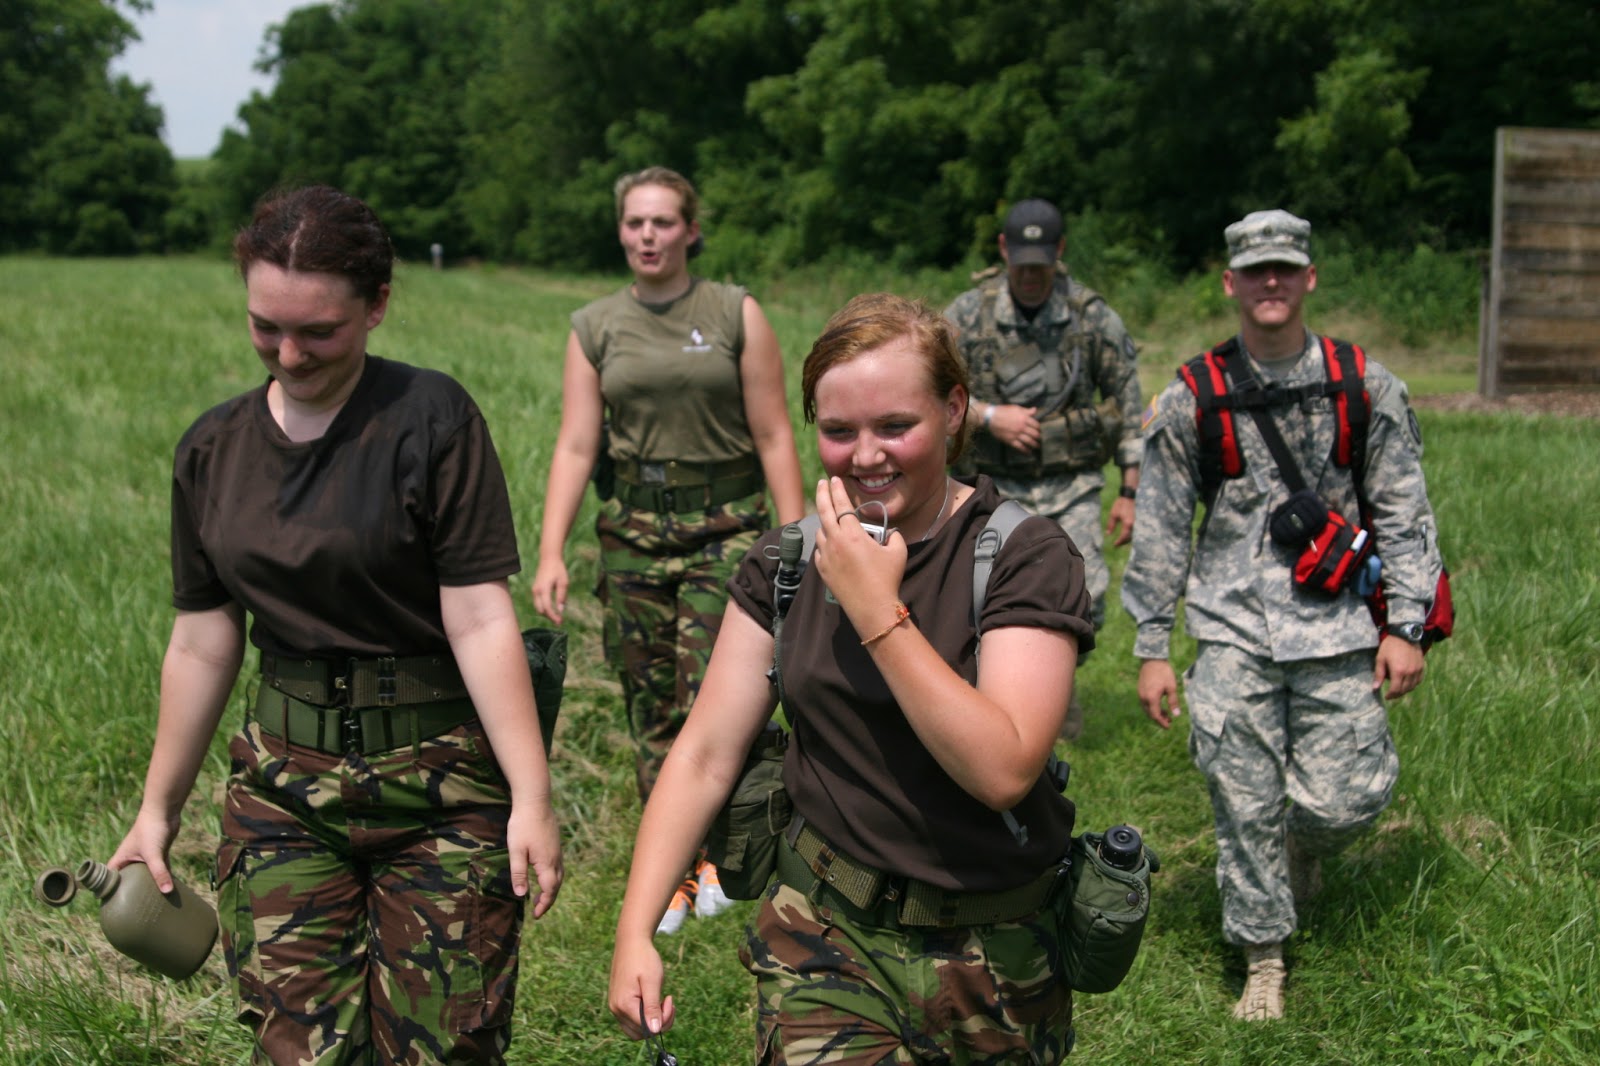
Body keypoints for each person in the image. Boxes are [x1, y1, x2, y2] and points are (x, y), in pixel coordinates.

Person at [108, 185, 563, 1064]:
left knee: (441, 1049)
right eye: (265, 327)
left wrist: (532, 798)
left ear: (378, 306)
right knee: (300, 1053)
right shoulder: (211, 452)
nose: (289, 353)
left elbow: (478, 617)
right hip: (285, 792)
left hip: (443, 793)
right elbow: (204, 639)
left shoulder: (431, 421)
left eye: (319, 332)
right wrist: (156, 810)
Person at [608, 293, 1093, 1062]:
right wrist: (634, 931)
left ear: (954, 411)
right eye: (838, 432)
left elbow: (1003, 769)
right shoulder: (786, 565)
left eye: (896, 426)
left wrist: (877, 611)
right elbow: (704, 752)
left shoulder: (1023, 556)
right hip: (823, 929)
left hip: (993, 949)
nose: (866, 456)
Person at [1123, 209, 1444, 1021]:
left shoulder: (1363, 383)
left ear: (1308, 278)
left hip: (1338, 627)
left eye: (1286, 269)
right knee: (1242, 801)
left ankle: (1304, 849)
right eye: (1256, 270)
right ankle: (1263, 955)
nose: (1272, 282)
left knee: (1348, 801)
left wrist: (1406, 627)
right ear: (1231, 283)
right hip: (1231, 628)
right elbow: (1159, 526)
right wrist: (1152, 646)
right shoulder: (1193, 395)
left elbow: (1407, 515)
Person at [531, 166, 805, 933]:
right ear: (620, 231)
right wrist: (552, 550)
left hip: (727, 531)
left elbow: (775, 432)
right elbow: (578, 443)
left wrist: (797, 544)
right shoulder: (595, 326)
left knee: (712, 700)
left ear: (690, 230)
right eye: (634, 223)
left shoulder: (732, 312)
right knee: (649, 704)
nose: (647, 236)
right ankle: (678, 869)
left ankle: (732, 847)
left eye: (662, 222)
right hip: (634, 538)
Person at [944, 198, 1144, 739]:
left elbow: (1127, 400)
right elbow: (930, 384)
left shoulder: (1090, 316)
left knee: (1087, 598)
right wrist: (988, 416)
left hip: (1070, 483)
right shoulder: (967, 315)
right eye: (1021, 263)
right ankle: (997, 708)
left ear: (1059, 252)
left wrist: (1129, 490)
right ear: (1004, 250)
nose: (1031, 276)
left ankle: (1042, 686)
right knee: (975, 595)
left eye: (1042, 264)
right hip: (987, 483)